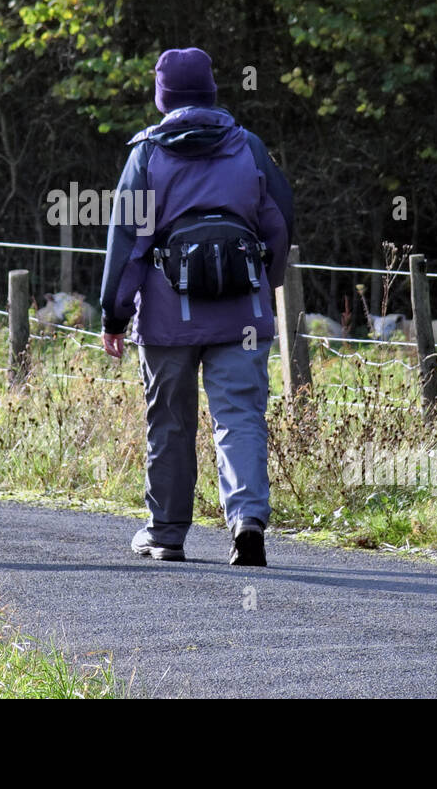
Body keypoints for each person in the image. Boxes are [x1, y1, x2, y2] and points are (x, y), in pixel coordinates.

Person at [100, 48, 293, 567]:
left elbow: (128, 244)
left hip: (168, 321)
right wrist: (261, 290)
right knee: (241, 418)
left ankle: (165, 536)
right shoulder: (248, 147)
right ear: (211, 90)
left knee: (169, 422)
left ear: (163, 97)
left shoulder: (146, 155)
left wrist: (114, 315)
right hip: (242, 317)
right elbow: (279, 225)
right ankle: (247, 522)